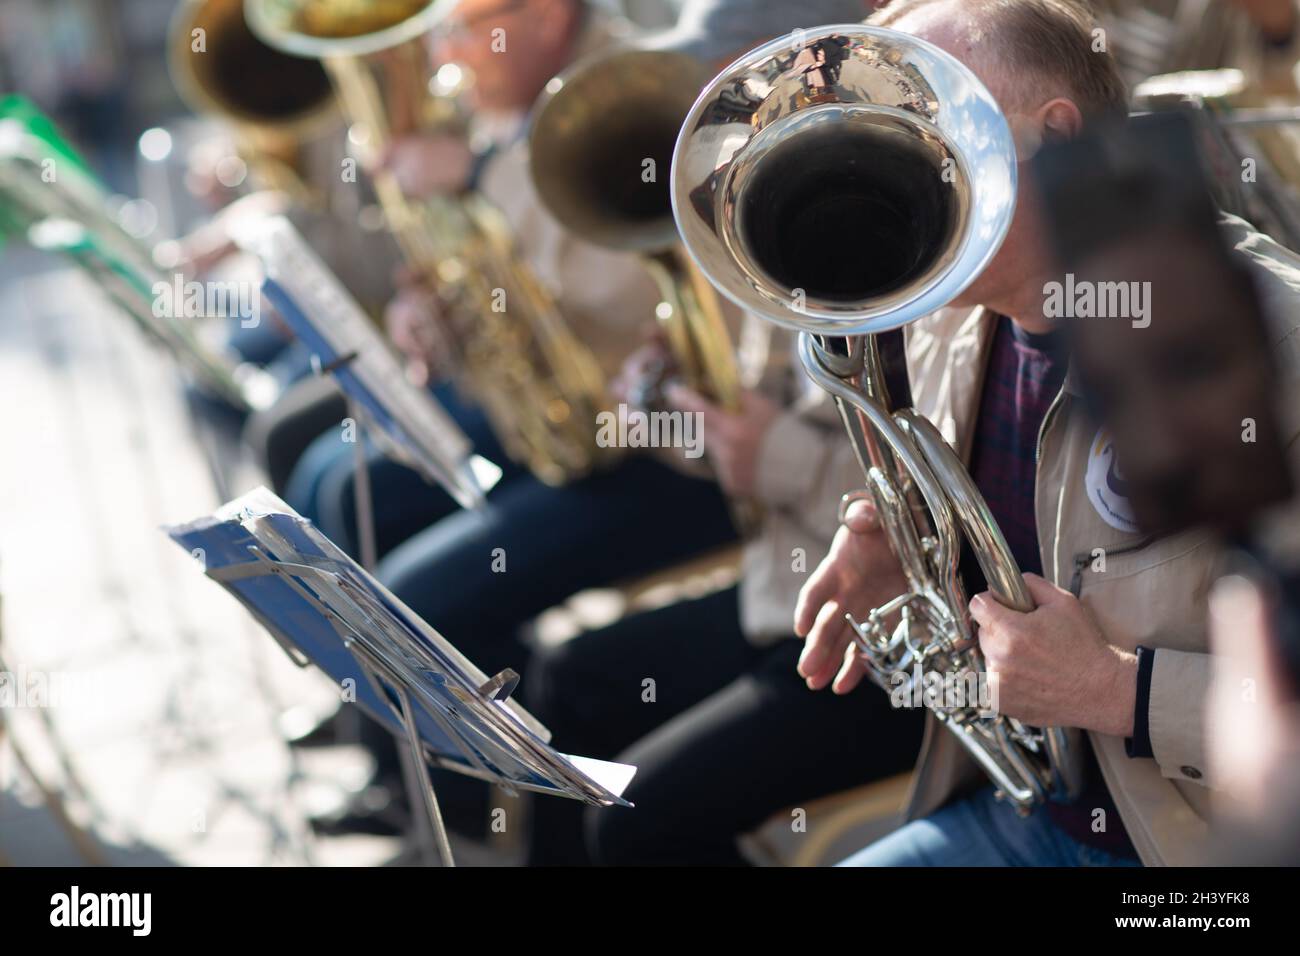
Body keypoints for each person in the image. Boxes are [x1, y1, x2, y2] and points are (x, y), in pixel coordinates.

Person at [785, 0, 1300, 867]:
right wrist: (913, 557)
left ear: (1054, 137)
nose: (880, 172)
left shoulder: (1276, 344)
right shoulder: (946, 321)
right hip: (1020, 810)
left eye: (925, 127)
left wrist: (1119, 692)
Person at [304, 0, 745, 839]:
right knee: (347, 487)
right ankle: (412, 777)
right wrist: (444, 315)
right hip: (582, 431)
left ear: (542, 14)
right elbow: (527, 302)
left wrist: (477, 174)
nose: (447, 53)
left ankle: (470, 823)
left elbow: (619, 290)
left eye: (465, 26)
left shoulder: (625, 92)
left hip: (672, 454)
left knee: (420, 595)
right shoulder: (499, 98)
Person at [517, 0, 937, 867]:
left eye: (742, 73)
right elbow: (733, 436)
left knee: (641, 817)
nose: (716, 100)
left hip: (891, 642)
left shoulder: (909, 225)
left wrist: (771, 457)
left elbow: (940, 504)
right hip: (778, 588)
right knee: (565, 685)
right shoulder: (759, 218)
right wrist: (672, 409)